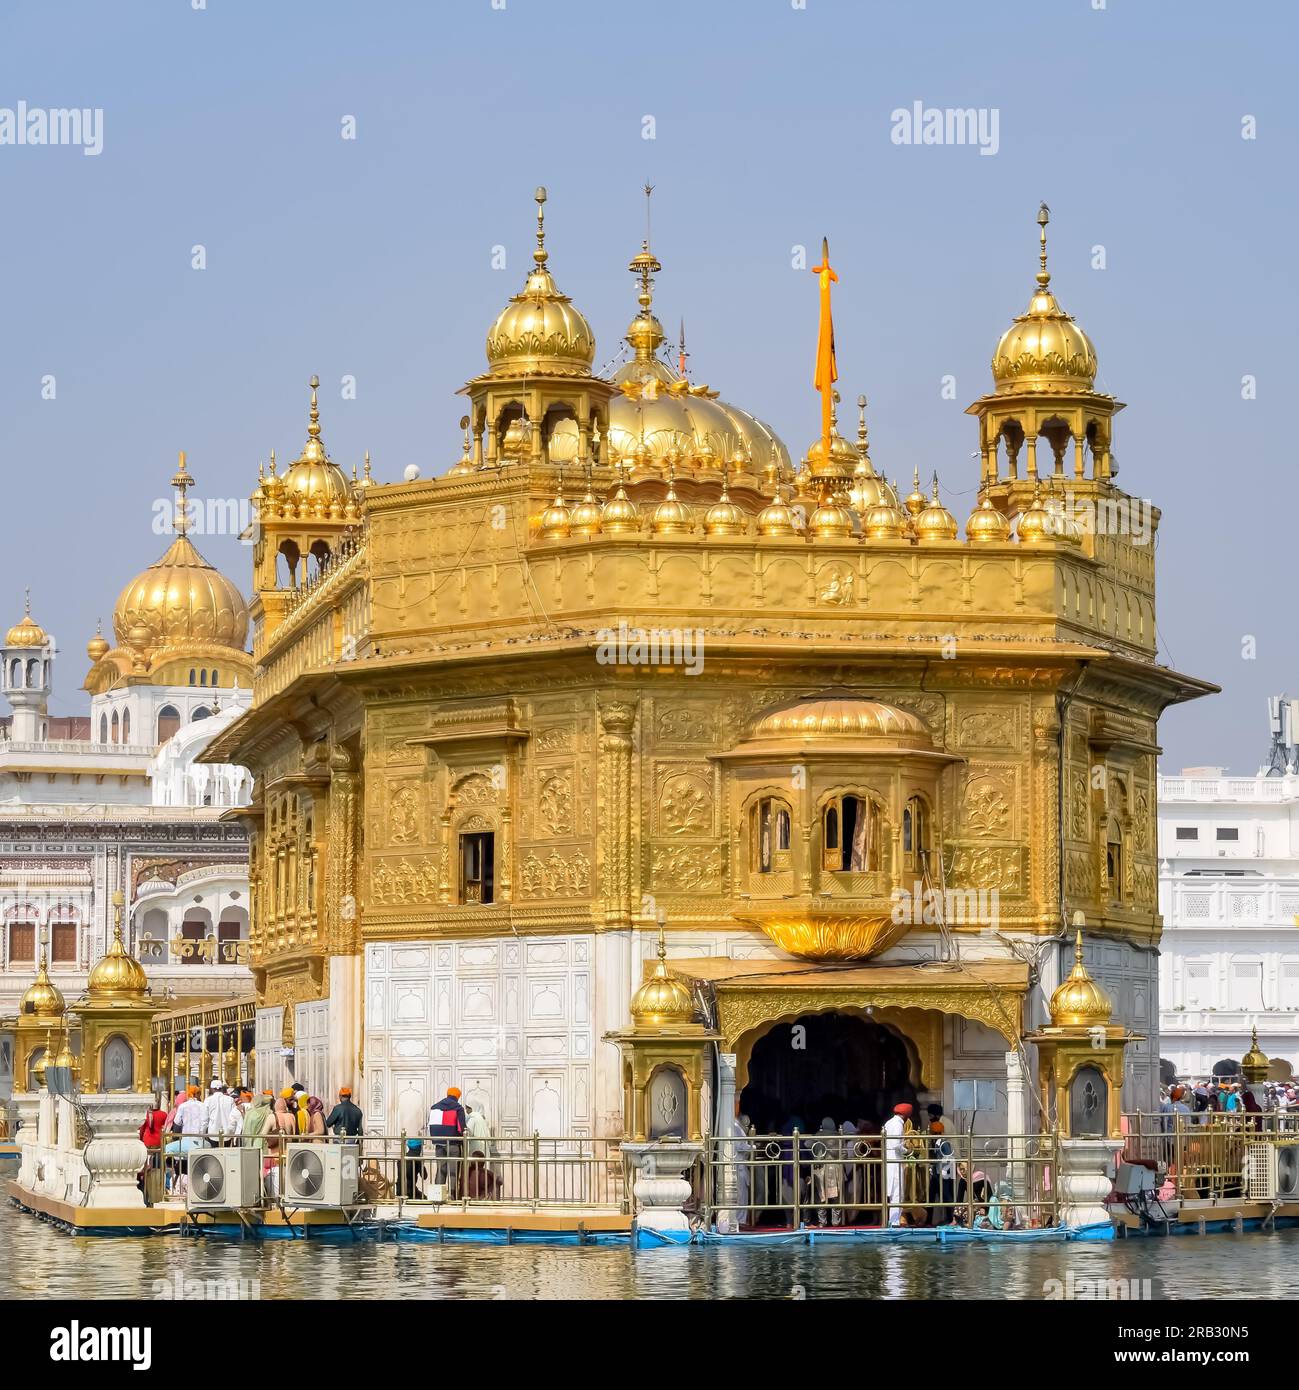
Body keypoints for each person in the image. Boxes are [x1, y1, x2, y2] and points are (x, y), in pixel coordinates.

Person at [428, 1086, 467, 1196]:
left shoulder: (434, 1108)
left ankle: (437, 1197)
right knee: (453, 1172)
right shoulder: (458, 1108)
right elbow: (462, 1129)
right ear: (457, 1096)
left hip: (439, 1144)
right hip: (453, 1144)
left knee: (441, 1170)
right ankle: (453, 1196)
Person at [883, 1102, 912, 1227]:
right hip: (895, 1161)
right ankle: (894, 1221)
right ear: (906, 1115)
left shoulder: (889, 1122)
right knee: (897, 1193)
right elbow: (896, 1145)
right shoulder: (898, 1124)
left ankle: (892, 1220)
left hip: (890, 1160)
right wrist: (906, 1150)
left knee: (894, 1193)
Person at [463, 1102, 496, 1198]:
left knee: (475, 1173)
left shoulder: (472, 1119)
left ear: (473, 1108)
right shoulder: (482, 1119)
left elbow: (467, 1133)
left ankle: (474, 1195)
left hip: (475, 1149)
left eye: (468, 1108)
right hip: (484, 1148)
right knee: (483, 1173)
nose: (466, 1110)